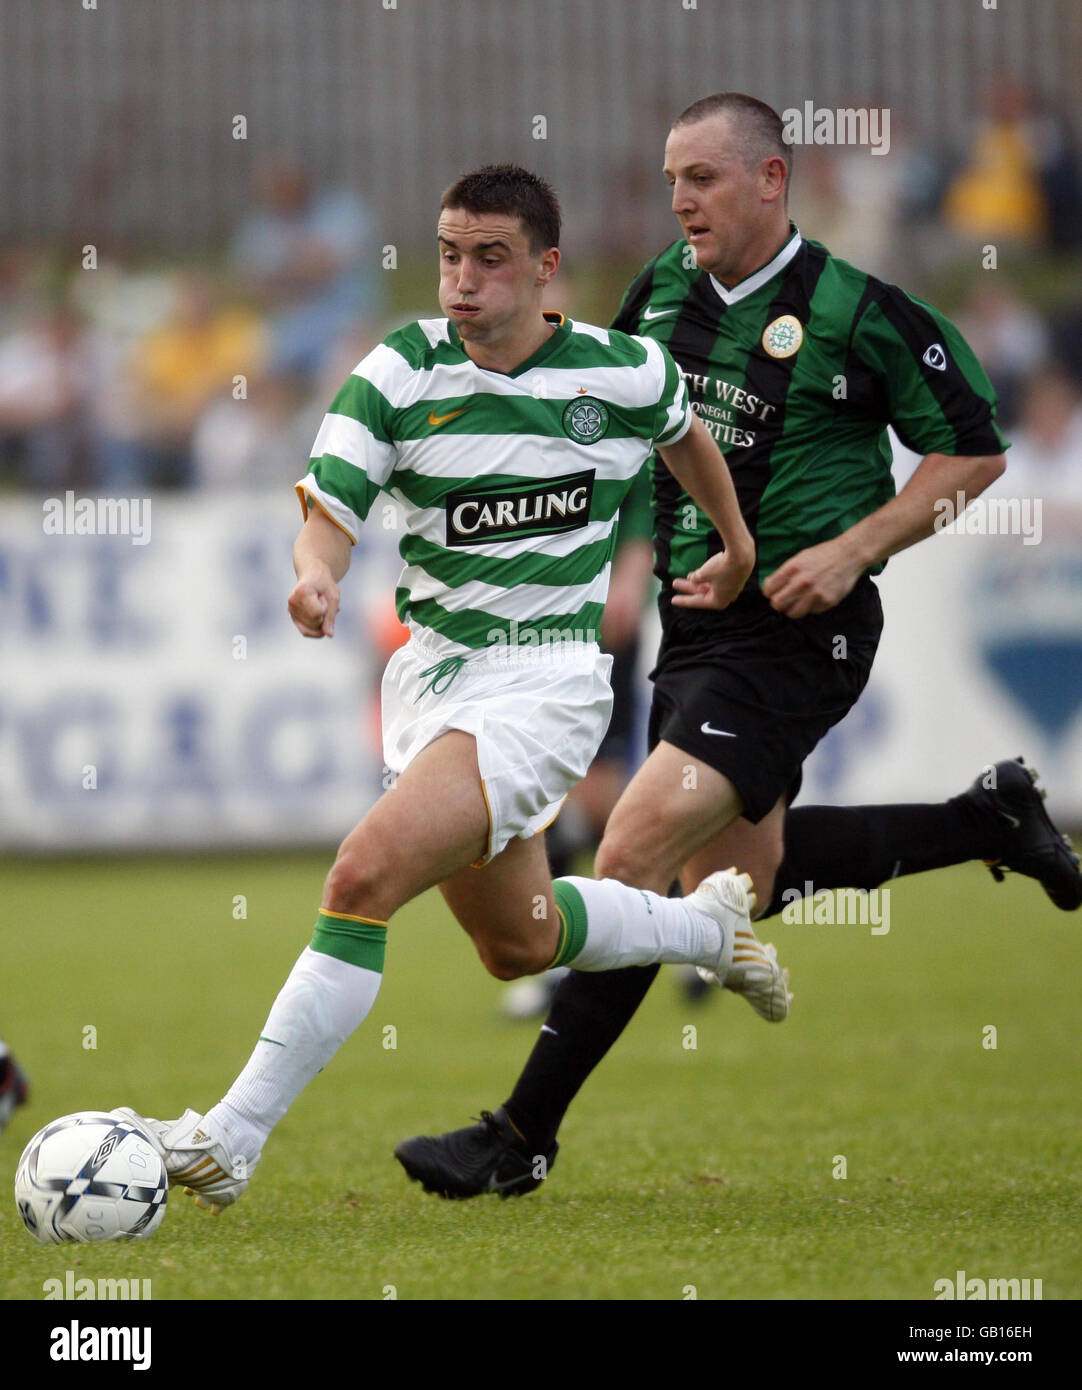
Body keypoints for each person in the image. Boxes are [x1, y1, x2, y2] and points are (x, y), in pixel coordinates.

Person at [393, 93, 1081, 1201]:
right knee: (739, 884)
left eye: (702, 178)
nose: (680, 200)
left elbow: (971, 454)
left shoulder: (860, 311)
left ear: (770, 180)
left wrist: (855, 548)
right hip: (696, 625)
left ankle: (519, 1134)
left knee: (632, 854)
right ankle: (984, 819)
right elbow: (618, 429)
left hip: (802, 631)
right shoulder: (658, 294)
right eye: (671, 179)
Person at [117, 163, 791, 1213]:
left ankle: (229, 1138)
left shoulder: (620, 372)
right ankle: (705, 930)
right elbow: (330, 506)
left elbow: (684, 436)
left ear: (544, 269)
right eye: (446, 256)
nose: (461, 282)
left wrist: (736, 545)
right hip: (432, 677)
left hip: (546, 683)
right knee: (514, 939)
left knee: (361, 875)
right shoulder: (397, 372)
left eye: (488, 259)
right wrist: (314, 574)